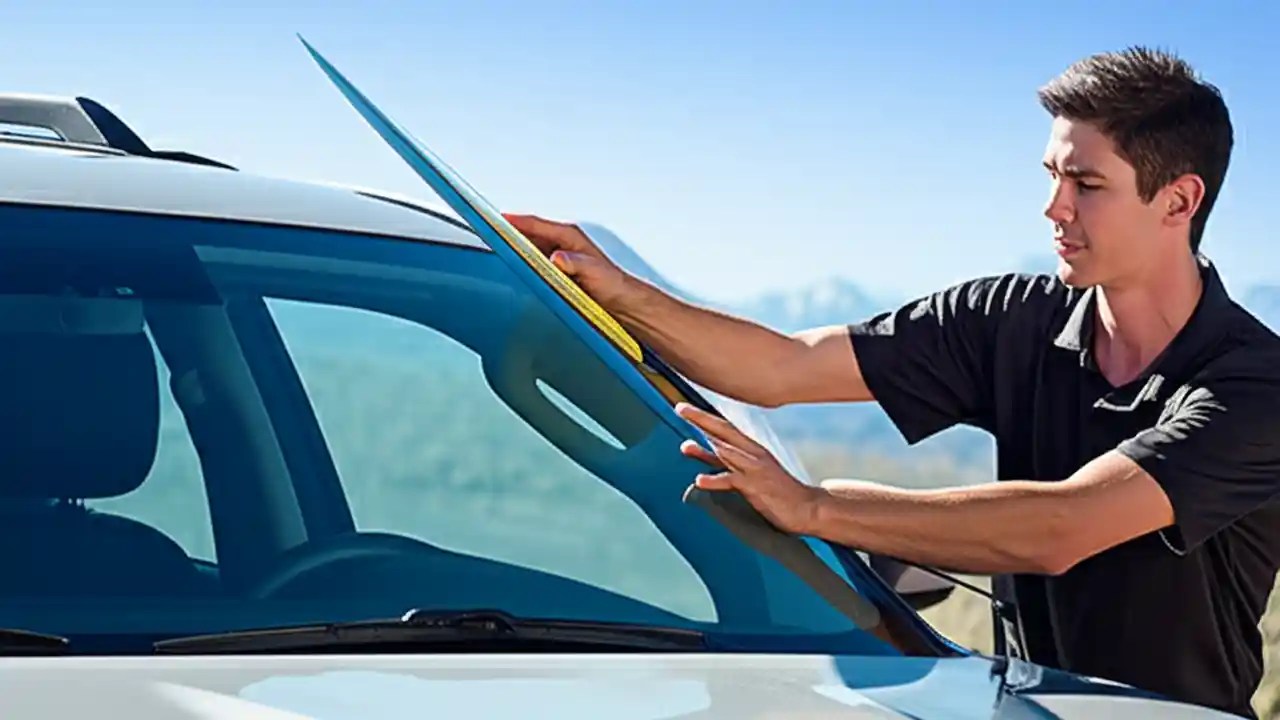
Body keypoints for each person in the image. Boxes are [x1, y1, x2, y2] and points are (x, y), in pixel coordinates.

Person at [503, 46, 1280, 717]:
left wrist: (813, 506)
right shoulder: (1012, 317)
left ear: (1178, 200)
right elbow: (783, 366)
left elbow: (1063, 529)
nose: (1053, 207)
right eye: (1051, 175)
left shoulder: (1254, 383)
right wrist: (611, 287)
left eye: (1087, 184)